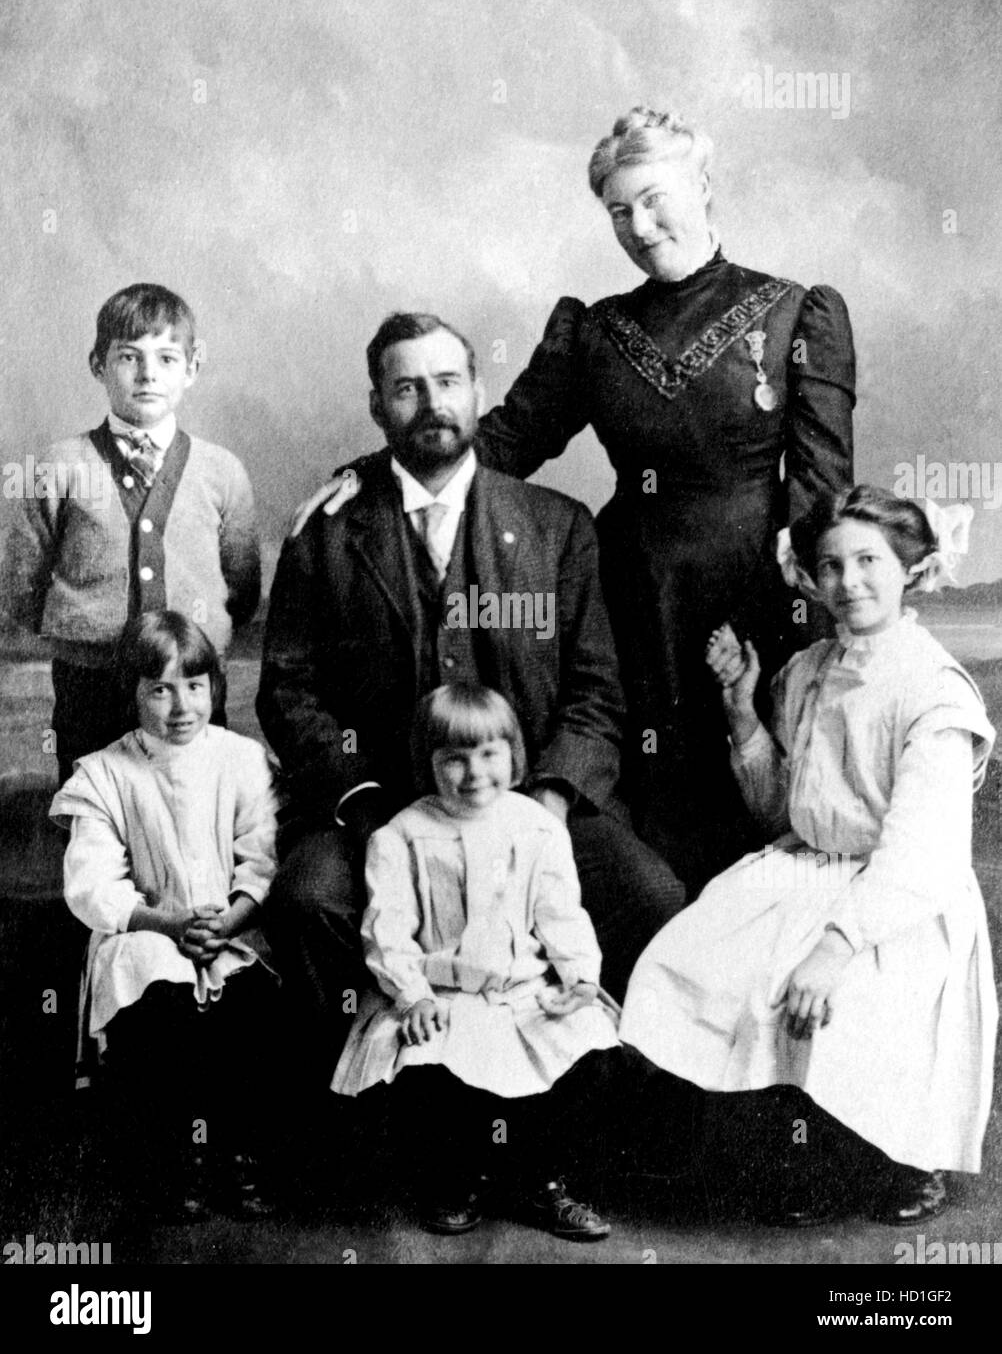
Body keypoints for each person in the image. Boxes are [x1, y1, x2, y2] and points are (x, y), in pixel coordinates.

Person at [292, 108, 855, 890]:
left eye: (655, 198)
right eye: (619, 210)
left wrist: (826, 593)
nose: (641, 225)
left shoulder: (797, 312)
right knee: (644, 816)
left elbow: (824, 488)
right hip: (631, 595)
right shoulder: (596, 331)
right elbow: (503, 439)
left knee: (762, 793)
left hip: (757, 588)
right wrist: (372, 470)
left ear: (702, 186)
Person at [257, 311, 684, 1089]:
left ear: (477, 392)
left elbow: (595, 691)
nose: (431, 403)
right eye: (407, 388)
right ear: (377, 406)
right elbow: (288, 689)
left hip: (527, 803)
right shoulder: (324, 533)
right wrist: (366, 802)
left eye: (448, 382)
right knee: (308, 900)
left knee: (647, 893)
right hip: (380, 806)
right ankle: (364, 1123)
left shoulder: (556, 526)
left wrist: (548, 804)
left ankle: (591, 1113)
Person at [618, 486, 997, 1225]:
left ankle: (893, 1158)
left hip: (898, 896)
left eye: (868, 561)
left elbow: (923, 851)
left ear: (912, 569)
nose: (848, 582)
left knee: (843, 1000)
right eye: (830, 566)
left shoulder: (933, 690)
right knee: (694, 957)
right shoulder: (809, 671)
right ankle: (779, 1145)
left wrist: (837, 942)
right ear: (811, 578)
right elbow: (780, 810)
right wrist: (742, 711)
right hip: (806, 867)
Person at [333, 682, 619, 1239]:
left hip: (522, 988)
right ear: (428, 762)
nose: (474, 772)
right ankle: (459, 1177)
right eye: (454, 759)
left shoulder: (536, 828)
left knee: (589, 1049)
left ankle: (542, 1181)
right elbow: (387, 930)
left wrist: (581, 976)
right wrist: (411, 994)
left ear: (514, 754)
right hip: (440, 995)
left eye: (489, 754)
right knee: (434, 1072)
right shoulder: (402, 836)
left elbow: (562, 912)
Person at [50, 611, 280, 1223]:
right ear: (131, 691)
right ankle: (182, 1158)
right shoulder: (102, 774)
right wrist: (170, 925)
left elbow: (262, 856)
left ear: (214, 689)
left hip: (233, 924)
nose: (181, 706)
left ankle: (240, 1152)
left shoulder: (242, 760)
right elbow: (92, 886)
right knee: (162, 1006)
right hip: (147, 931)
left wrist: (229, 920)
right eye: (160, 688)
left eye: (195, 685)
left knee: (251, 1003)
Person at [1, 283, 261, 785]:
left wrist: (196, 639)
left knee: (195, 809)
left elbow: (241, 588)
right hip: (90, 685)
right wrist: (84, 638)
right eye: (129, 357)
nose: (147, 374)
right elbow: (21, 583)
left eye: (166, 358)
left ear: (192, 369)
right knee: (94, 812)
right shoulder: (60, 465)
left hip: (192, 682)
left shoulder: (220, 470)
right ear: (98, 365)